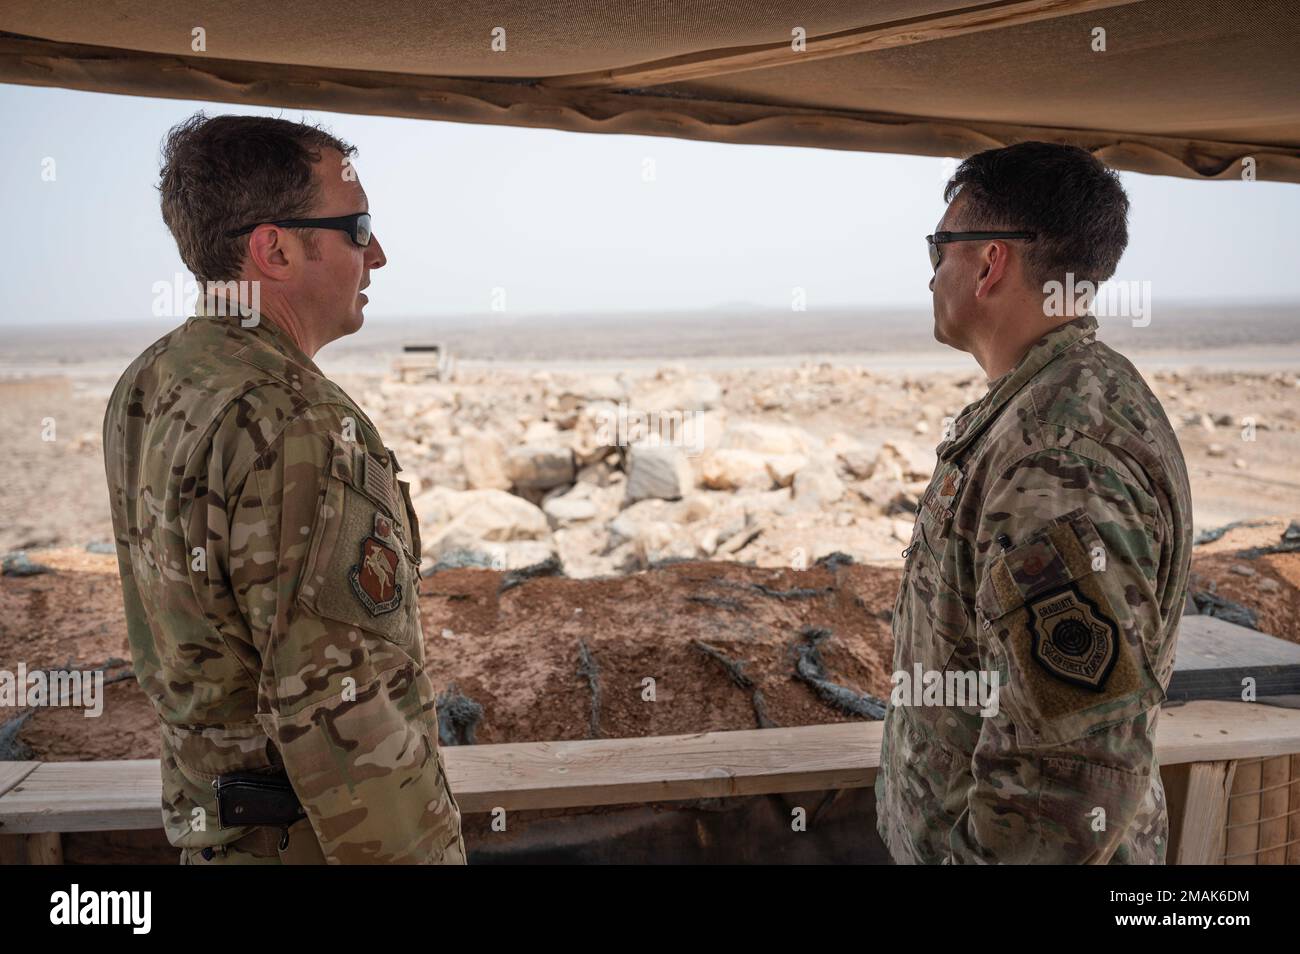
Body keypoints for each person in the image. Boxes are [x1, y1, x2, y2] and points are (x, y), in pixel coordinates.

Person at [102, 113, 464, 864]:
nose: (380, 255)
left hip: (218, 835)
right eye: (358, 228)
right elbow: (343, 708)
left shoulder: (151, 381)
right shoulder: (298, 420)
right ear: (274, 248)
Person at [874, 141, 1192, 864]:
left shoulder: (1057, 452)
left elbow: (1068, 773)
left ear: (989, 263)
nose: (930, 277)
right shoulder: (1050, 405)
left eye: (938, 248)